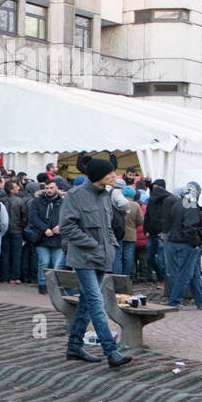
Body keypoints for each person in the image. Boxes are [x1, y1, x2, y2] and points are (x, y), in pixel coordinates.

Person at [58, 156, 129, 366]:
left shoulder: (106, 195)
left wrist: (111, 246)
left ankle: (74, 347)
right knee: (96, 303)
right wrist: (93, 244)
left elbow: (107, 226)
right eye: (111, 173)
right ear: (100, 176)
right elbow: (67, 227)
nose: (115, 176)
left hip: (101, 257)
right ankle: (111, 352)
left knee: (87, 304)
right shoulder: (75, 196)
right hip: (84, 257)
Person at [162, 182, 202, 311]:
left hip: (172, 242)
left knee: (191, 274)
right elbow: (190, 227)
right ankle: (174, 301)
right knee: (186, 274)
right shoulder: (191, 205)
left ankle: (201, 301)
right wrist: (196, 243)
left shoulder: (176, 203)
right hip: (186, 244)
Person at [27, 180, 66, 295]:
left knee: (57, 264)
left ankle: (55, 287)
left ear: (56, 188)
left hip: (58, 238)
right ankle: (42, 285)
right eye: (47, 188)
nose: (49, 190)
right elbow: (33, 217)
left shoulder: (63, 202)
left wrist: (60, 226)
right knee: (44, 262)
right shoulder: (37, 201)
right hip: (41, 237)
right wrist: (44, 228)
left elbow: (68, 217)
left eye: (51, 188)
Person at [142, 179, 174, 286]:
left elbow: (170, 218)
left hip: (161, 235)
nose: (153, 189)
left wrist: (165, 231)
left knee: (162, 260)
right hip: (151, 234)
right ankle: (161, 277)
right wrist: (146, 229)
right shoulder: (151, 201)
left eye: (156, 187)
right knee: (150, 258)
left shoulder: (168, 200)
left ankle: (164, 279)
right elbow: (147, 216)